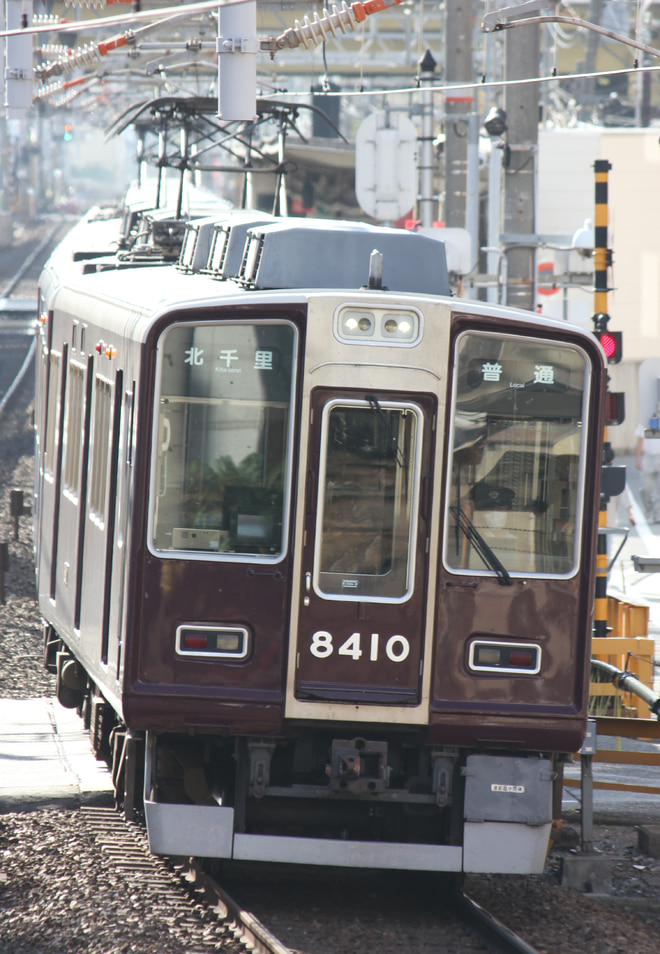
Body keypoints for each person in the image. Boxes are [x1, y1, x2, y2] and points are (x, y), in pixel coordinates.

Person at [635, 422, 660, 522]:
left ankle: (658, 514)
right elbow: (640, 440)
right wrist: (638, 458)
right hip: (648, 457)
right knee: (646, 489)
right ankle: (649, 510)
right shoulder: (645, 421)